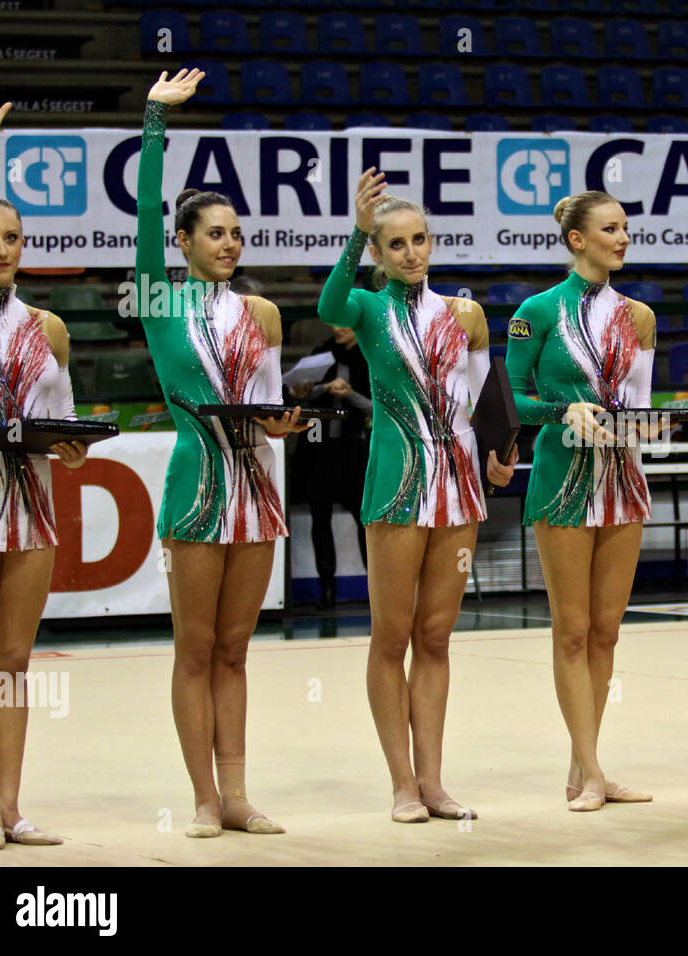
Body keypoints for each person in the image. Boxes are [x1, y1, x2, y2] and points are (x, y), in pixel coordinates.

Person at [136, 69, 309, 837]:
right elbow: (143, 218)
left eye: (237, 233)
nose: (230, 242)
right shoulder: (160, 302)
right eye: (215, 232)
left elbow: (267, 401)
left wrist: (280, 426)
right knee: (197, 648)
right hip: (196, 488)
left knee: (237, 649)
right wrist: (153, 122)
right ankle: (202, 797)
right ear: (183, 243)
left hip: (256, 490)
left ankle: (237, 794)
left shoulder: (261, 311)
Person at [317, 169, 516, 823]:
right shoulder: (368, 311)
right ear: (378, 253)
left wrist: (502, 452)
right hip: (398, 486)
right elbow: (328, 306)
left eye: (420, 240)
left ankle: (433, 781)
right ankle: (401, 783)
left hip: (458, 489)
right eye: (395, 244)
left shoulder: (463, 314)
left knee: (435, 637)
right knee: (391, 637)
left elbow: (491, 398)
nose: (411, 253)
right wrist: (354, 231)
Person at [506, 190, 660, 812]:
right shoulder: (536, 311)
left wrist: (649, 425)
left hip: (621, 483)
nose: (622, 238)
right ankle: (591, 770)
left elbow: (641, 409)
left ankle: (585, 769)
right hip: (562, 481)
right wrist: (561, 409)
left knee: (606, 632)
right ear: (577, 240)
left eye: (625, 227)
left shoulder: (640, 316)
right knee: (572, 631)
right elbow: (508, 401)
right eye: (609, 229)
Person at [0, 79, 86, 851]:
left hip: (32, 506)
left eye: (13, 238)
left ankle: (13, 804)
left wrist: (72, 448)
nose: (5, 249)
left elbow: (62, 425)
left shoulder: (49, 327)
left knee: (14, 659)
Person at [287, 324, 371, 609]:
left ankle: (378, 586)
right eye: (334, 322)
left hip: (354, 449)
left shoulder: (371, 355)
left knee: (366, 520)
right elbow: (298, 397)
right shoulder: (321, 354)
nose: (338, 328)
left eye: (344, 322)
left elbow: (378, 407)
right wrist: (309, 391)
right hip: (319, 449)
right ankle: (327, 588)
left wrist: (349, 395)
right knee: (319, 519)